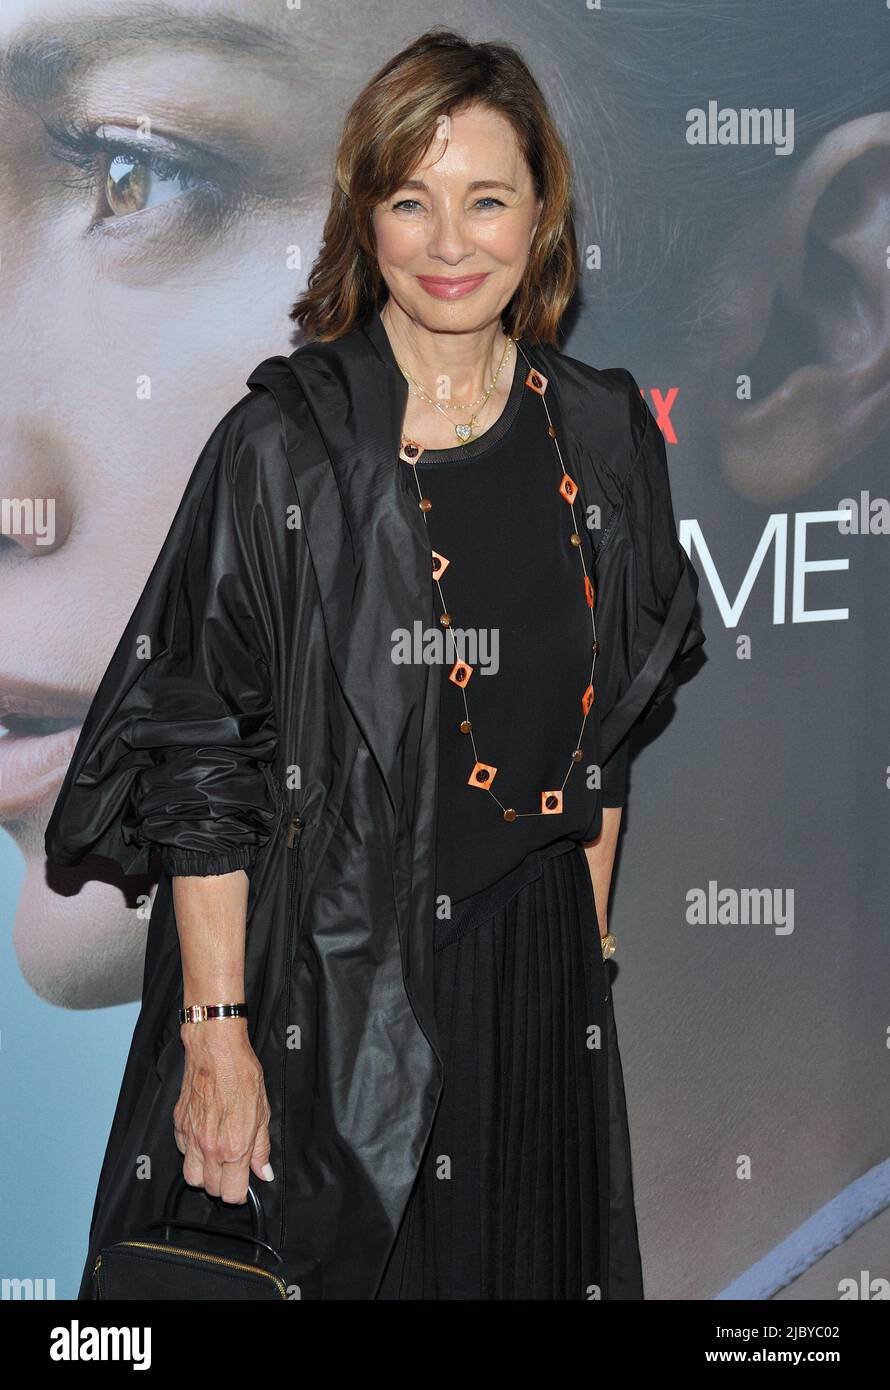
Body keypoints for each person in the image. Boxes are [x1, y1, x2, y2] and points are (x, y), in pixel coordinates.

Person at [45, 27, 705, 1300]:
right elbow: (201, 760)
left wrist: (590, 961)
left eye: (485, 199)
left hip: (525, 996)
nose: (450, 241)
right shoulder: (285, 448)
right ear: (364, 216)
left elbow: (607, 737)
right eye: (412, 199)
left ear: (540, 215)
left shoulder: (606, 437)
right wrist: (218, 1034)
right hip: (318, 986)